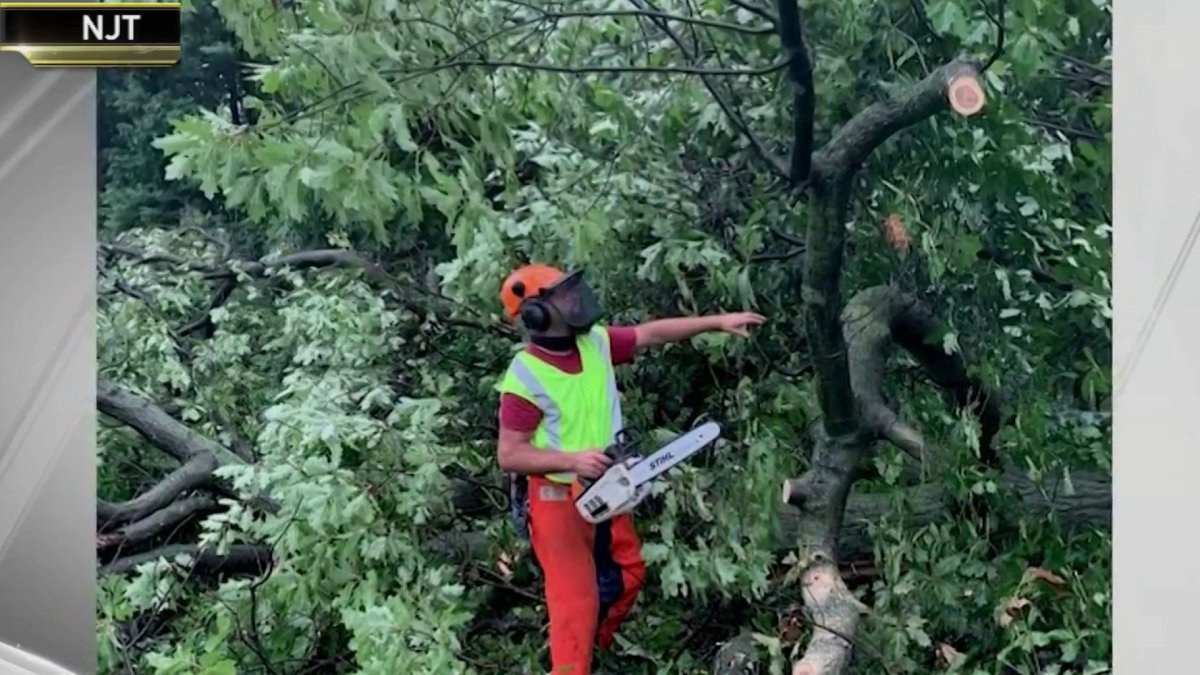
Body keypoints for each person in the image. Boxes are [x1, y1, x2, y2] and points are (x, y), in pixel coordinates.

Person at [494, 263, 765, 675]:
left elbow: (650, 334)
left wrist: (717, 321)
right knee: (574, 606)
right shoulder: (526, 376)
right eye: (562, 295)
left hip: (607, 485)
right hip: (555, 499)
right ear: (536, 313)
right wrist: (571, 460)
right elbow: (510, 455)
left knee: (628, 574)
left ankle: (596, 652)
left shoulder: (595, 343)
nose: (574, 299)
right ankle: (573, 666)